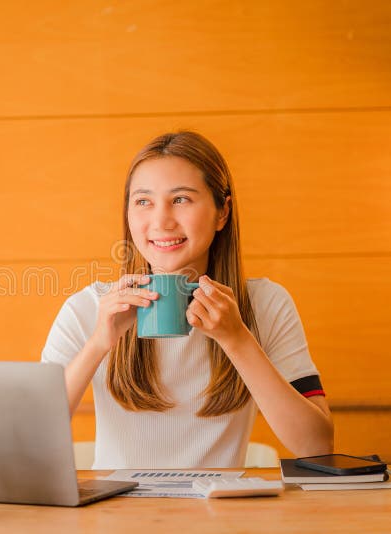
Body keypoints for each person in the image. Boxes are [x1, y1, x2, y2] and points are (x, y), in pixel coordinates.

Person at [41, 131, 334, 469]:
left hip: (220, 517)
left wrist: (237, 339)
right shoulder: (88, 308)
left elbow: (317, 446)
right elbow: (33, 435)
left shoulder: (266, 304)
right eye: (143, 201)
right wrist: (98, 343)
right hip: (118, 518)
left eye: (181, 199)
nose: (161, 221)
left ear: (222, 213)